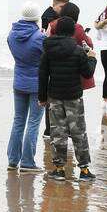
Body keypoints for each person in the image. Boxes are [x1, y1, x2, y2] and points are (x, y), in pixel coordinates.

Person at [38, 14, 98, 182]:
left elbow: (43, 75)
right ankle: (84, 170)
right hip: (74, 98)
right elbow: (87, 73)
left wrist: (42, 98)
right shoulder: (78, 50)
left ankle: (59, 169)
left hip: (55, 97)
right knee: (79, 133)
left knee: (58, 133)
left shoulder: (48, 50)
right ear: (72, 32)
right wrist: (92, 58)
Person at [6, 3, 46, 172]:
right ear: (37, 18)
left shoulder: (12, 34)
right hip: (36, 84)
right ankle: (28, 161)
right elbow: (46, 57)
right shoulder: (39, 37)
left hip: (19, 81)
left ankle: (13, 160)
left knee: (18, 120)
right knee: (34, 122)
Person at [47, 2, 97, 94]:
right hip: (72, 76)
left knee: (53, 104)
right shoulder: (77, 27)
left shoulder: (51, 25)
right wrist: (87, 37)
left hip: (54, 72)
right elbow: (88, 45)